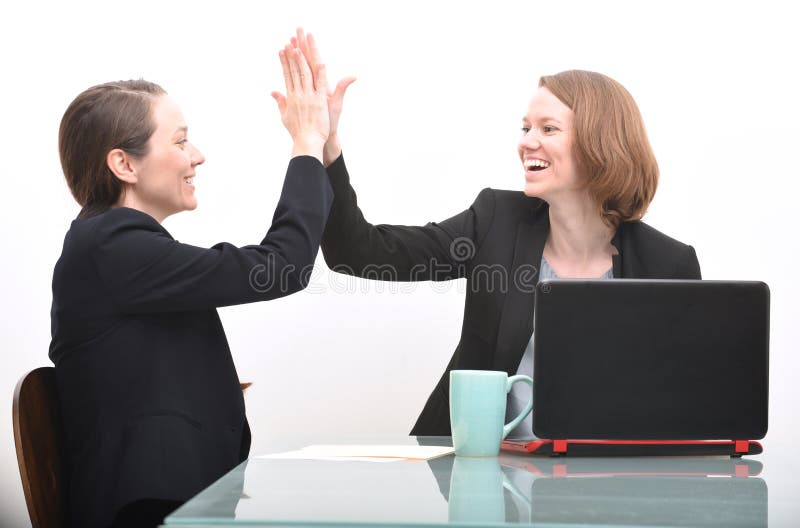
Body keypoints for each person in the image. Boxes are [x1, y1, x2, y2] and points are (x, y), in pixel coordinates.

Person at [288, 30, 701, 437]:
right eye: (526, 128)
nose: (527, 143)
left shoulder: (668, 263)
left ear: (600, 143)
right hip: (489, 481)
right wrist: (326, 149)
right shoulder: (496, 220)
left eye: (548, 129)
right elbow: (358, 252)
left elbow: (686, 404)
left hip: (612, 486)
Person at [49, 45, 330, 528]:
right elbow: (281, 267)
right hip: (148, 513)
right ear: (125, 165)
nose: (197, 156)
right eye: (180, 142)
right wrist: (306, 143)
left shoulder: (116, 249)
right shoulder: (112, 246)